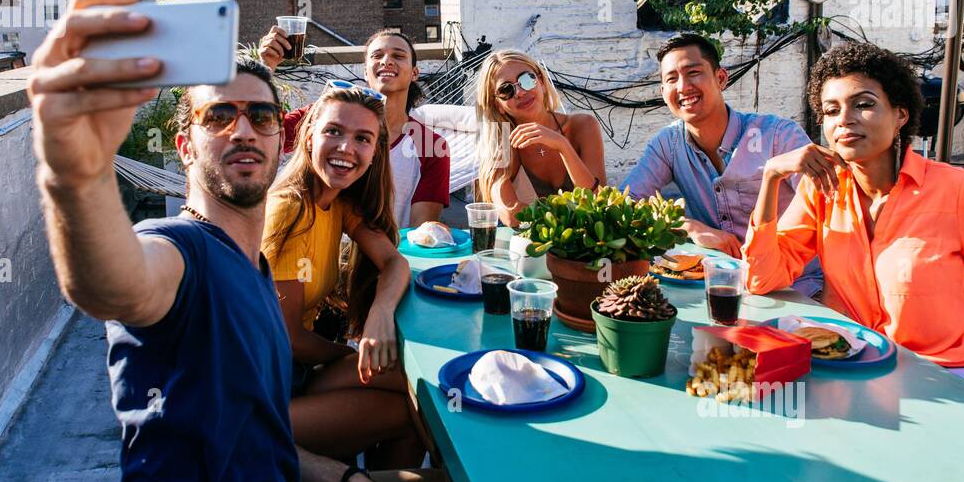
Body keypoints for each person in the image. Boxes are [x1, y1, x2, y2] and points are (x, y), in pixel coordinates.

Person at [27, 0, 483, 482]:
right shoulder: (181, 250)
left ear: (279, 138)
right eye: (219, 116)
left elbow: (255, 437)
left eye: (261, 117)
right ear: (184, 146)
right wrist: (74, 170)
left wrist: (345, 481)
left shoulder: (256, 263)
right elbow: (110, 284)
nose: (243, 130)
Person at [742, 41, 964, 446]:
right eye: (830, 110)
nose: (844, 119)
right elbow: (761, 279)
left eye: (863, 104)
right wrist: (771, 178)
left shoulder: (957, 191)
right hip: (866, 376)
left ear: (900, 115)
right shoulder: (823, 190)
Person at [262, 82, 427, 469]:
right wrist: (352, 354)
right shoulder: (290, 208)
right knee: (410, 403)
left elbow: (394, 263)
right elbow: (290, 340)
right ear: (309, 137)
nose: (346, 148)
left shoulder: (337, 201)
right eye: (333, 131)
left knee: (413, 385)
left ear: (374, 152)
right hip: (264, 391)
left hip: (299, 372)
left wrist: (379, 315)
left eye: (362, 138)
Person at [621, 34, 823, 297]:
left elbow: (826, 208)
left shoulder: (778, 136)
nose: (683, 87)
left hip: (795, 286)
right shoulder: (668, 143)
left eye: (693, 73)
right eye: (671, 79)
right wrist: (689, 226)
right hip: (720, 287)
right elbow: (626, 204)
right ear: (663, 92)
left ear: (721, 78)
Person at [260, 26, 450, 229]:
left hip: (390, 248)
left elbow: (421, 233)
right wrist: (266, 67)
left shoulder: (432, 147)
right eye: (377, 55)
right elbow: (262, 139)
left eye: (398, 55)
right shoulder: (324, 116)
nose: (386, 61)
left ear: (414, 73)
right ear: (365, 72)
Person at [474, 49, 606, 226]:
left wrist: (563, 146)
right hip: (533, 243)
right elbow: (510, 215)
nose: (520, 92)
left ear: (542, 82)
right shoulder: (503, 144)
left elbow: (599, 201)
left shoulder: (583, 126)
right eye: (506, 90)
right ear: (498, 105)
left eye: (527, 79)